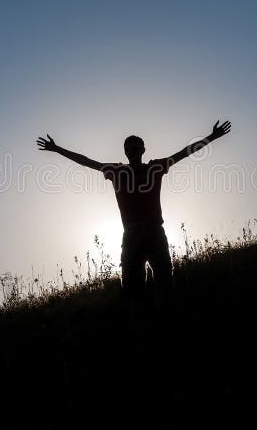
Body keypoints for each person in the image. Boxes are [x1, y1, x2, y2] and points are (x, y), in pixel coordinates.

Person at [36, 120, 232, 314]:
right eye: (128, 147)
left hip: (154, 231)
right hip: (132, 234)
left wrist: (212, 136)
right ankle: (140, 324)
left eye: (135, 146)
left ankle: (164, 320)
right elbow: (86, 161)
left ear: (143, 149)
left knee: (163, 282)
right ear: (125, 151)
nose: (132, 149)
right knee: (132, 286)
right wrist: (57, 149)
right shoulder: (116, 170)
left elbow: (184, 153)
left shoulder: (155, 167)